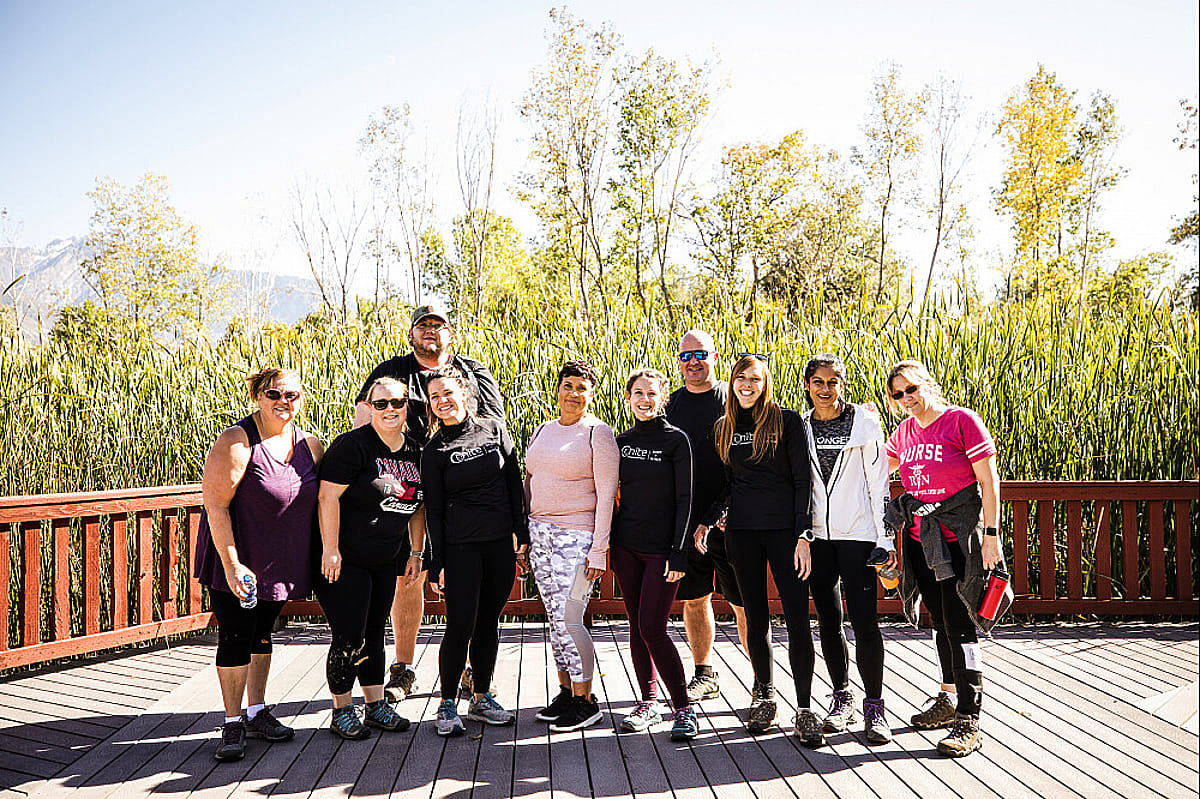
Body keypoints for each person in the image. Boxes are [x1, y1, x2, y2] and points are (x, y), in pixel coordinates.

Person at [354, 303, 505, 703]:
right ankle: (403, 670)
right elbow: (362, 424)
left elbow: (493, 432)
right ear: (412, 333)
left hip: (464, 496)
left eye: (438, 326)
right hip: (405, 488)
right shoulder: (390, 372)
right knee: (409, 574)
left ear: (449, 333)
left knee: (472, 593)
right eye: (423, 326)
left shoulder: (475, 373)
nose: (430, 332)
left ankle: (475, 673)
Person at [194, 368, 324, 762]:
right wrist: (232, 563)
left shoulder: (311, 445)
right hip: (238, 556)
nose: (283, 401)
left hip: (280, 560)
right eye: (274, 394)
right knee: (235, 635)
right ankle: (232, 721)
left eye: (293, 395)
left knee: (263, 632)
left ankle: (256, 711)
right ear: (257, 397)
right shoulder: (236, 441)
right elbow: (215, 505)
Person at [883, 359, 1010, 757]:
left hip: (960, 539)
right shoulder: (902, 433)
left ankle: (969, 717)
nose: (906, 399)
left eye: (911, 389)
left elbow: (988, 483)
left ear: (926, 385)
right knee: (939, 621)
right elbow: (871, 468)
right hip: (923, 541)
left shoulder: (961, 421)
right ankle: (947, 697)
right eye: (897, 394)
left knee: (961, 625)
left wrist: (992, 536)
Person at [696, 354, 816, 740]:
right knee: (755, 618)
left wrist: (803, 535)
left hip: (785, 534)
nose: (747, 385)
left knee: (797, 619)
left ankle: (804, 707)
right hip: (743, 535)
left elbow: (803, 482)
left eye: (755, 379)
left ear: (766, 384)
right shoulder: (723, 427)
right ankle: (764, 695)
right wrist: (708, 518)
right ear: (731, 382)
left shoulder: (787, 422)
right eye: (741, 378)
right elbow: (731, 486)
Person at [421, 365, 527, 737]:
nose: (442, 401)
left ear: (464, 393)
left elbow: (514, 481)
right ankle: (448, 702)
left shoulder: (494, 430)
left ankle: (481, 697)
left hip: (498, 544)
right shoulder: (434, 450)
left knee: (488, 623)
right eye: (435, 397)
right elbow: (433, 509)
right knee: (460, 623)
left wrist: (520, 529)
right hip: (460, 548)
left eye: (448, 393)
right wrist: (437, 563)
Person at [315, 377, 423, 739]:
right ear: (368, 408)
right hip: (347, 558)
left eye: (397, 402)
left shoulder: (415, 451)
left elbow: (417, 507)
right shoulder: (353, 447)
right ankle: (341, 710)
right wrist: (331, 549)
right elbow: (327, 498)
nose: (390, 409)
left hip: (386, 557)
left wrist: (416, 551)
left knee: (375, 631)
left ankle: (376, 705)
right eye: (381, 404)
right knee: (349, 634)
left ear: (408, 405)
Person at [800, 354, 894, 747]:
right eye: (819, 382)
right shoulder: (800, 427)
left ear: (843, 384)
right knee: (829, 622)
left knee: (866, 623)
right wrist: (804, 534)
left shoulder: (867, 423)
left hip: (858, 536)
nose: (826, 389)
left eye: (833, 382)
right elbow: (799, 487)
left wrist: (884, 539)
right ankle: (841, 699)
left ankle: (875, 706)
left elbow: (879, 484)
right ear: (808, 385)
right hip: (819, 540)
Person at [525, 360, 620, 733]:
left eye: (582, 387)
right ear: (559, 388)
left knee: (571, 617)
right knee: (554, 619)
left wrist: (598, 549)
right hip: (540, 535)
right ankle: (565, 693)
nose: (574, 393)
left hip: (577, 539)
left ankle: (585, 700)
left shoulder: (599, 434)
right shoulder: (543, 431)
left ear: (591, 393)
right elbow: (529, 481)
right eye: (568, 385)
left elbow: (608, 494)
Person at [611, 369, 699, 741]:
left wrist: (679, 553)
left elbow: (685, 499)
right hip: (626, 548)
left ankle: (683, 708)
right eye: (637, 393)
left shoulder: (676, 440)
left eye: (651, 393)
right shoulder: (621, 441)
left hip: (661, 552)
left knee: (653, 628)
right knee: (635, 627)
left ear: (662, 397)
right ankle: (647, 703)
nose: (644, 400)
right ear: (628, 397)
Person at [665, 330, 749, 704]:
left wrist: (729, 509)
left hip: (732, 520)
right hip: (688, 522)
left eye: (700, 354)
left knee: (743, 602)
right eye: (686, 356)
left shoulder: (734, 402)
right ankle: (704, 673)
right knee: (694, 599)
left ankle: (761, 680)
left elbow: (750, 463)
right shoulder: (670, 405)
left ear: (714, 356)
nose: (693, 362)